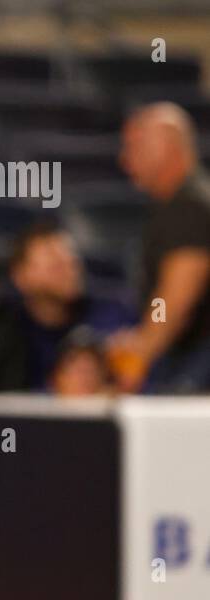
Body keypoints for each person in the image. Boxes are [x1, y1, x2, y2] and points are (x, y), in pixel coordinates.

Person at [110, 102, 210, 392]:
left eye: (134, 147)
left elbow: (175, 304)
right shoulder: (181, 203)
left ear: (165, 147)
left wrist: (141, 350)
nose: (125, 160)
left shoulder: (189, 206)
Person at [0, 224, 131, 392]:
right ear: (21, 276)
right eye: (55, 267)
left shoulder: (110, 315)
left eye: (72, 264)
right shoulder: (4, 331)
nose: (69, 273)